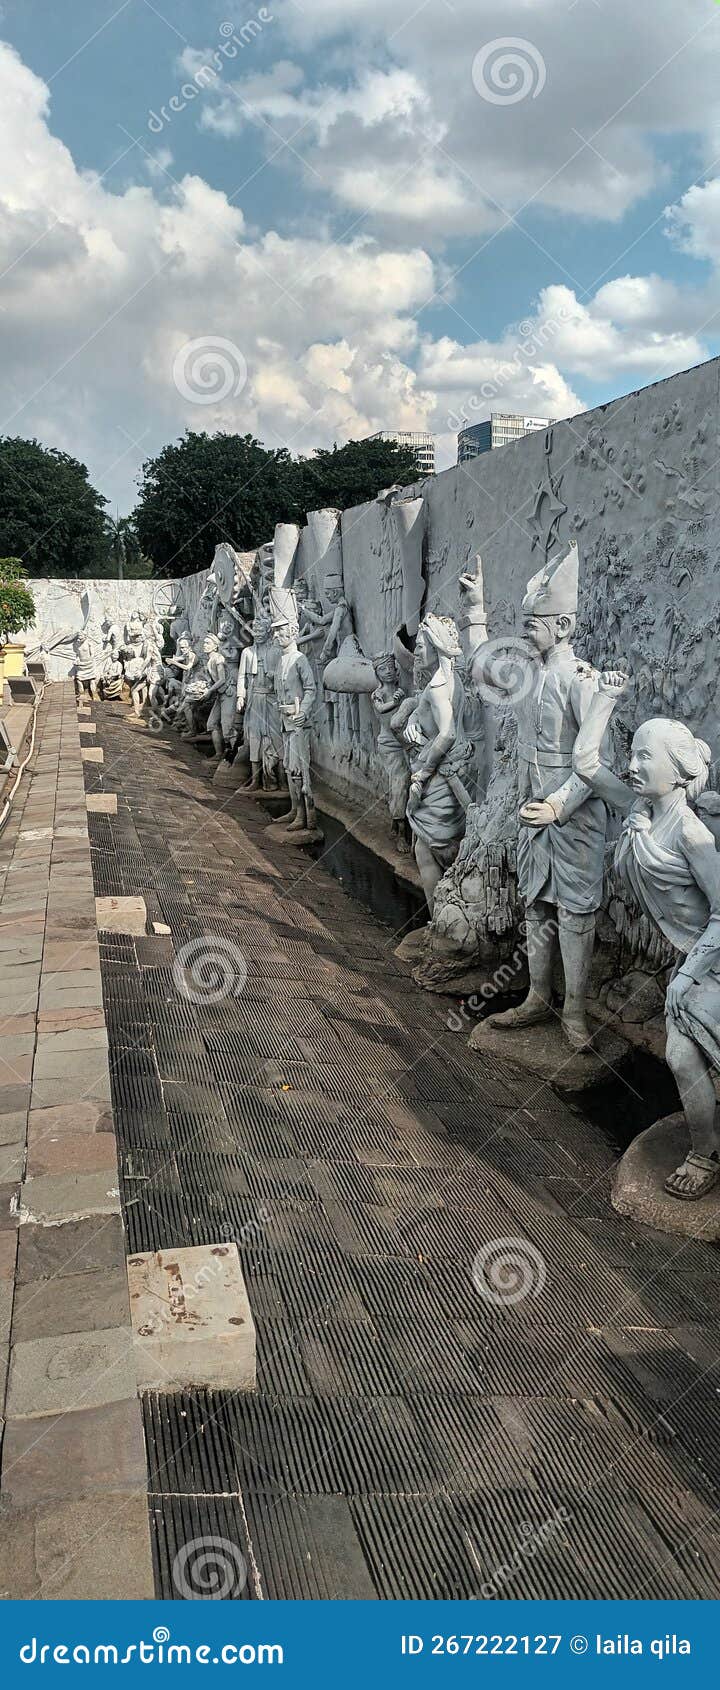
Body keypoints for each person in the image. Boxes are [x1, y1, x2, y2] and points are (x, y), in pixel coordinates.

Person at [574, 673, 720, 1201]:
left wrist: (689, 975)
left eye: (644, 758)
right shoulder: (639, 812)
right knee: (692, 1057)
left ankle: (704, 1156)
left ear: (678, 773)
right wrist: (606, 698)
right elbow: (585, 765)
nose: (632, 767)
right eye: (632, 755)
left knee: (684, 1058)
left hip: (711, 959)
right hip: (693, 961)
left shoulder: (692, 833)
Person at [480, 541, 610, 1051]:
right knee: (536, 904)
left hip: (574, 816)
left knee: (576, 911)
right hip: (534, 810)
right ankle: (538, 995)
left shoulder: (584, 682)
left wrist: (560, 803)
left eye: (534, 622)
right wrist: (474, 613)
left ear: (564, 626)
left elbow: (597, 764)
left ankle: (574, 1012)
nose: (526, 629)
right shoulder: (530, 677)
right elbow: (482, 672)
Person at [398, 613, 472, 913]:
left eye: (421, 646)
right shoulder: (448, 681)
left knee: (432, 849)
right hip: (450, 771)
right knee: (435, 847)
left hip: (440, 775)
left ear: (437, 647)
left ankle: (441, 918)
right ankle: (447, 915)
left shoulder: (439, 687)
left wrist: (424, 773)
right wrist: (415, 718)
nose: (416, 651)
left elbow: (448, 733)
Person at [271, 609, 318, 834]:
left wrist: (304, 711)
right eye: (276, 632)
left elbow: (311, 689)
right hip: (285, 721)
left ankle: (305, 815)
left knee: (300, 769)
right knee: (290, 767)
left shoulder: (300, 659)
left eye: (281, 631)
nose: (277, 636)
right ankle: (294, 809)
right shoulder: (281, 661)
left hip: (298, 722)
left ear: (292, 632)